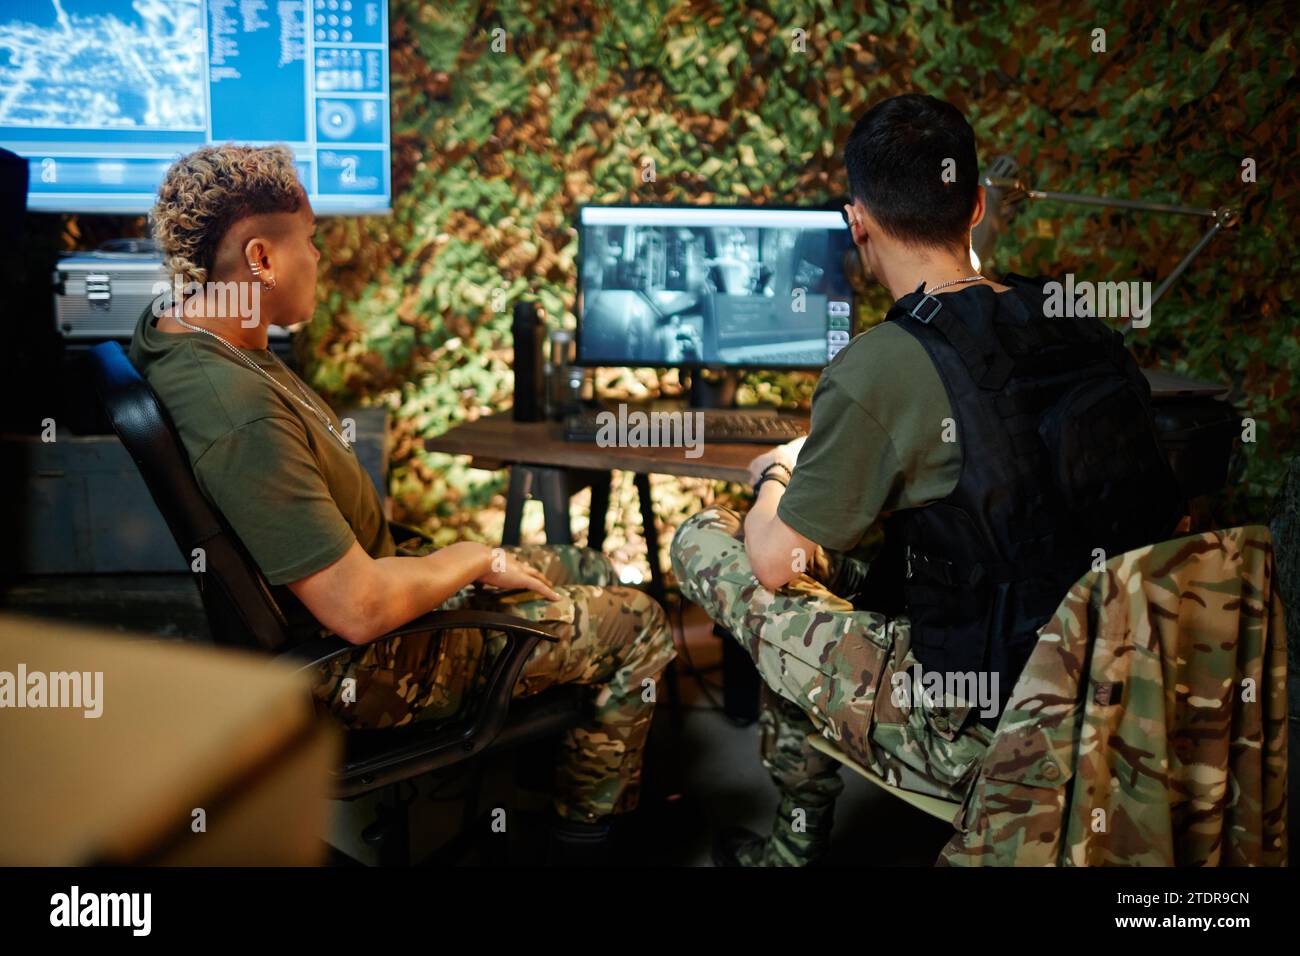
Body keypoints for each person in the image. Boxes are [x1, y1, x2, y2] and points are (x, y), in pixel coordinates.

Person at [671, 93, 1183, 866]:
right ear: (976, 205)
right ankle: (792, 843)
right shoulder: (1081, 323)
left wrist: (780, 470)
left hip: (977, 719)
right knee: (838, 583)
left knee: (713, 544)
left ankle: (793, 848)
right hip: (1111, 687)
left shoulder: (880, 365)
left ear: (857, 221)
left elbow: (775, 561)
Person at [130, 143, 676, 862]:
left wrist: (463, 565)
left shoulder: (186, 327)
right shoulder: (242, 417)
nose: (321, 257)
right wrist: (474, 557)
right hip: (361, 666)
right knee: (637, 621)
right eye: (314, 241)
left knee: (589, 566)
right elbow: (359, 609)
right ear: (260, 260)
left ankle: (552, 750)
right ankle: (585, 839)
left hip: (351, 604)